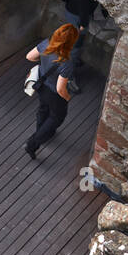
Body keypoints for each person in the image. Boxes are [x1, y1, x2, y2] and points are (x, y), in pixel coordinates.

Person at [24, 24, 77, 160]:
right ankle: (33, 143)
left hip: (41, 85)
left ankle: (40, 130)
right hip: (54, 94)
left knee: (43, 109)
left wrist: (42, 63)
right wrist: (67, 97)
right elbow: (60, 88)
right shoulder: (66, 61)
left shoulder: (47, 44)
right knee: (56, 117)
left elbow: (30, 57)